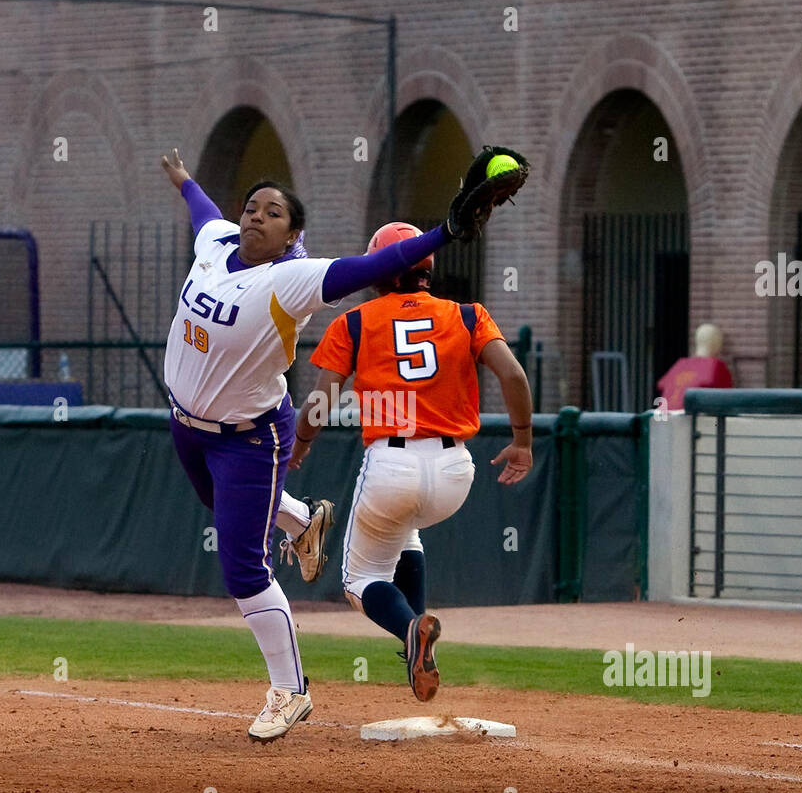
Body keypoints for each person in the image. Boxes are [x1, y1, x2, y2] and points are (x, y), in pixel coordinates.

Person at [160, 149, 474, 742]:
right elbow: (204, 215)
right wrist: (184, 180)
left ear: (291, 237)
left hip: (248, 438)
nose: (255, 216)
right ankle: (303, 522)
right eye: (251, 206)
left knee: (243, 569)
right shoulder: (217, 244)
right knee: (221, 511)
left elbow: (371, 265)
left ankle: (290, 691)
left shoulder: (289, 280)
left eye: (272, 213)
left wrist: (444, 232)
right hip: (187, 423)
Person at [289, 221, 535, 702]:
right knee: (407, 531)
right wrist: (522, 440)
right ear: (428, 266)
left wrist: (300, 444)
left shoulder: (356, 322)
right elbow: (514, 374)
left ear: (378, 270)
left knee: (360, 580)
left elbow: (320, 404)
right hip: (454, 472)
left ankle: (410, 628)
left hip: (391, 465)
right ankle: (416, 644)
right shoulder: (468, 315)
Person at [655, 322, 734, 410]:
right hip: (692, 418)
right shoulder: (717, 367)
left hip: (664, 415)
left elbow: (661, 384)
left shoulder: (680, 364)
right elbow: (728, 400)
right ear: (717, 343)